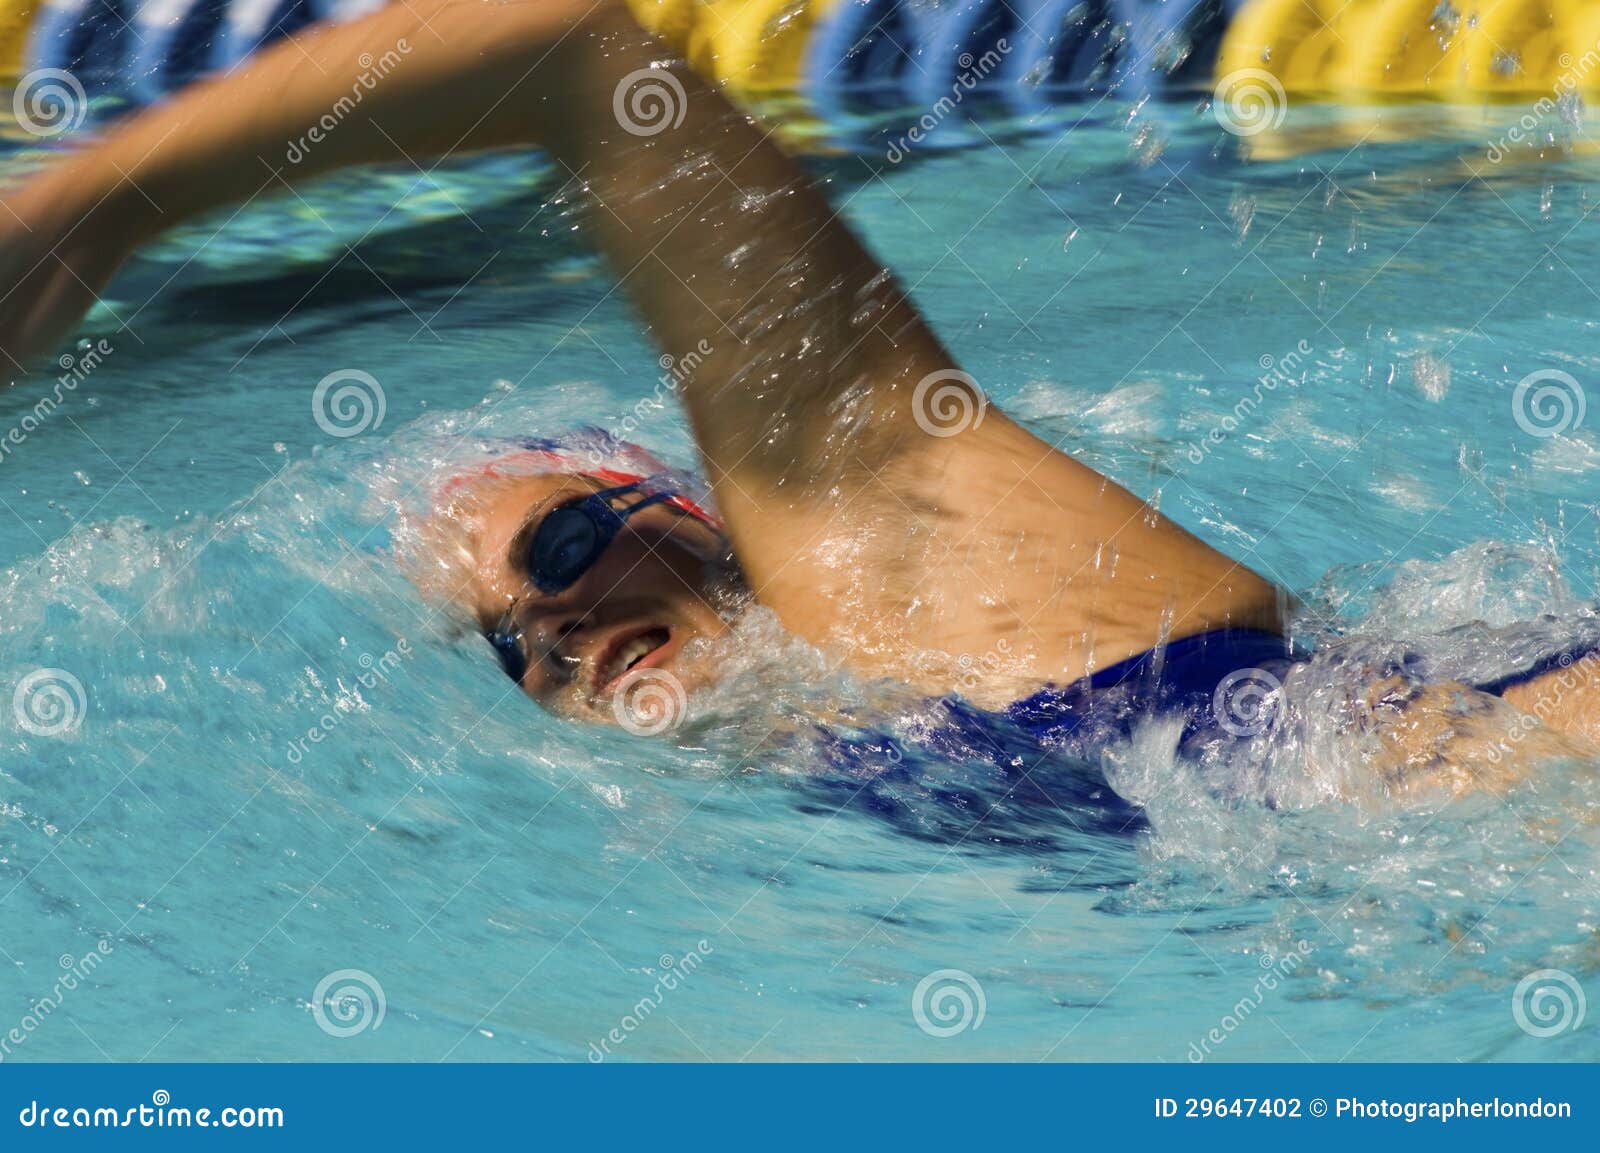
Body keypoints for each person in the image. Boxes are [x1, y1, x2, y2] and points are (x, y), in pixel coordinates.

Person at [1, 0, 1595, 791]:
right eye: (504, 649)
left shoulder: (864, 535)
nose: (547, 630)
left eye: (554, 554)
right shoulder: (837, 766)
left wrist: (100, 206)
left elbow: (579, 62)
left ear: (684, 507)